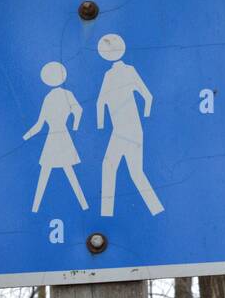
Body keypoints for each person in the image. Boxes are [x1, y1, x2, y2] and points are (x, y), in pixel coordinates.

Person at [96, 34, 163, 217]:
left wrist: (100, 124)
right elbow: (147, 97)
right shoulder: (115, 74)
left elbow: (100, 102)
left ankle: (108, 214)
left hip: (127, 130)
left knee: (123, 170)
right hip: (126, 129)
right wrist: (146, 114)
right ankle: (107, 214)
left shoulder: (116, 74)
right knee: (125, 170)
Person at [23, 61, 88, 212]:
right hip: (60, 136)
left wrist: (25, 138)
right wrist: (74, 127)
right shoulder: (64, 95)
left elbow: (39, 125)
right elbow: (78, 111)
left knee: (50, 172)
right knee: (61, 171)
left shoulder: (52, 97)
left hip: (56, 137)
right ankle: (83, 205)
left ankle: (35, 207)